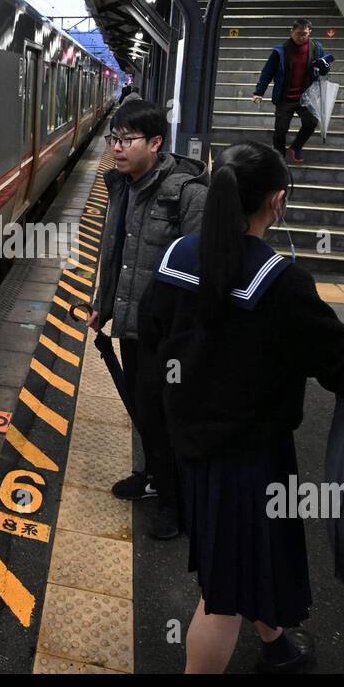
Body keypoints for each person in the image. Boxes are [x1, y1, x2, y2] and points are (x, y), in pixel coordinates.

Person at [136, 141, 344, 673]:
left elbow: (152, 340)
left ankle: (277, 640)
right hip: (248, 454)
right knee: (222, 594)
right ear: (277, 201)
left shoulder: (176, 258)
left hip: (188, 442)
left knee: (249, 548)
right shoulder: (280, 282)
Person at [89, 98, 207, 539]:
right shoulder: (120, 186)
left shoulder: (189, 194)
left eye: (126, 140)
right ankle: (153, 477)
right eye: (113, 138)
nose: (116, 147)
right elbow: (114, 251)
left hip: (169, 336)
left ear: (156, 142)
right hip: (133, 325)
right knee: (142, 410)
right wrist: (103, 304)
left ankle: (175, 504)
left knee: (165, 417)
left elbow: (200, 270)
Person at [250, 18, 331, 164]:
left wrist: (324, 65)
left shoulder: (316, 48)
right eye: (298, 33)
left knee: (311, 122)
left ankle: (296, 146)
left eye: (304, 34)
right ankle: (278, 156)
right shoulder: (280, 52)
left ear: (309, 32)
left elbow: (323, 71)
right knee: (280, 130)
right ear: (292, 32)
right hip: (285, 97)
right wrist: (259, 92)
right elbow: (267, 72)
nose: (301, 37)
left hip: (306, 97)